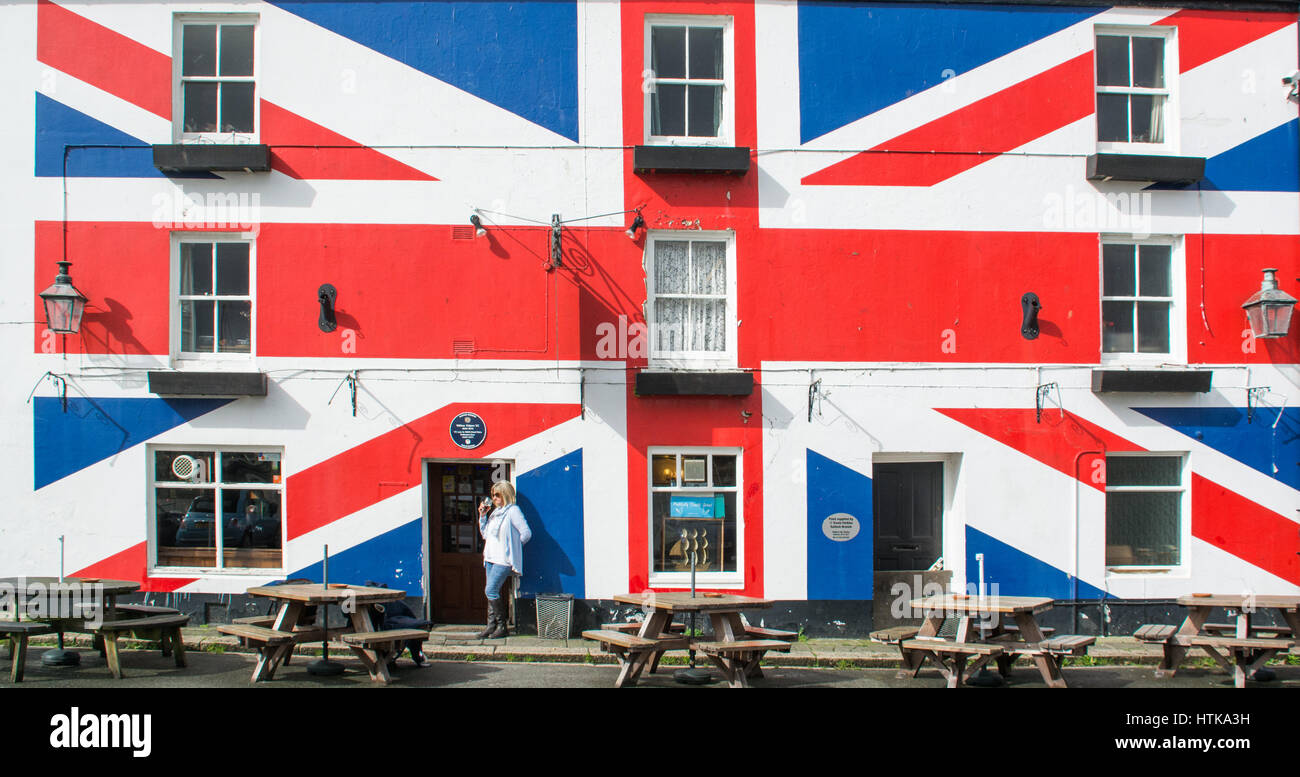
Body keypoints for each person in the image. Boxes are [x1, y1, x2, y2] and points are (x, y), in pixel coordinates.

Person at [476, 481, 531, 639]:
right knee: (491, 592)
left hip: (503, 559)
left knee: (490, 590)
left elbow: (526, 533)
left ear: (505, 494)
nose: (494, 498)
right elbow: (486, 534)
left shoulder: (513, 511)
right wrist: (482, 516)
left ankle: (502, 626)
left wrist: (514, 547)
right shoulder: (495, 512)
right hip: (490, 558)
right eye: (493, 495)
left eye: (497, 495)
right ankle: (491, 626)